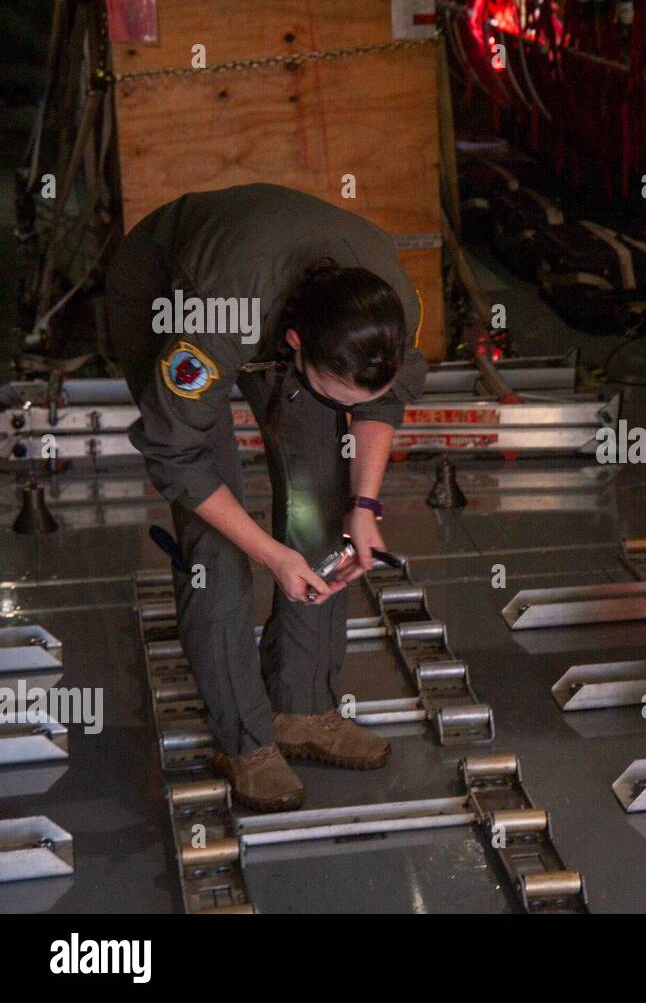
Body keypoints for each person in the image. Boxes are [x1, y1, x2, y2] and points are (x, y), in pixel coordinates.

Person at [107, 183, 429, 809]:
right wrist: (270, 555)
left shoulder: (385, 305)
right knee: (215, 543)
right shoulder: (219, 321)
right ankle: (245, 739)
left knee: (319, 500)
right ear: (294, 347)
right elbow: (175, 451)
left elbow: (381, 396)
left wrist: (364, 506)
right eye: (338, 396)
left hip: (282, 304)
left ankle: (302, 708)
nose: (347, 413)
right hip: (164, 294)